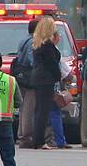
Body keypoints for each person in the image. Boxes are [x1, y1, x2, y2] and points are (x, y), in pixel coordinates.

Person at [26, 17, 61, 149]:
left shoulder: (38, 43)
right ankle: (39, 140)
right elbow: (53, 63)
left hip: (38, 78)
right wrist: (58, 76)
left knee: (39, 110)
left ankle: (37, 138)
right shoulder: (48, 46)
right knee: (43, 111)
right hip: (46, 79)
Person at [14, 20, 39, 147]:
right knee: (29, 108)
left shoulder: (22, 41)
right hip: (30, 78)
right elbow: (32, 60)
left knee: (23, 108)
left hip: (21, 77)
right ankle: (26, 136)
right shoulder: (33, 42)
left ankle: (20, 133)